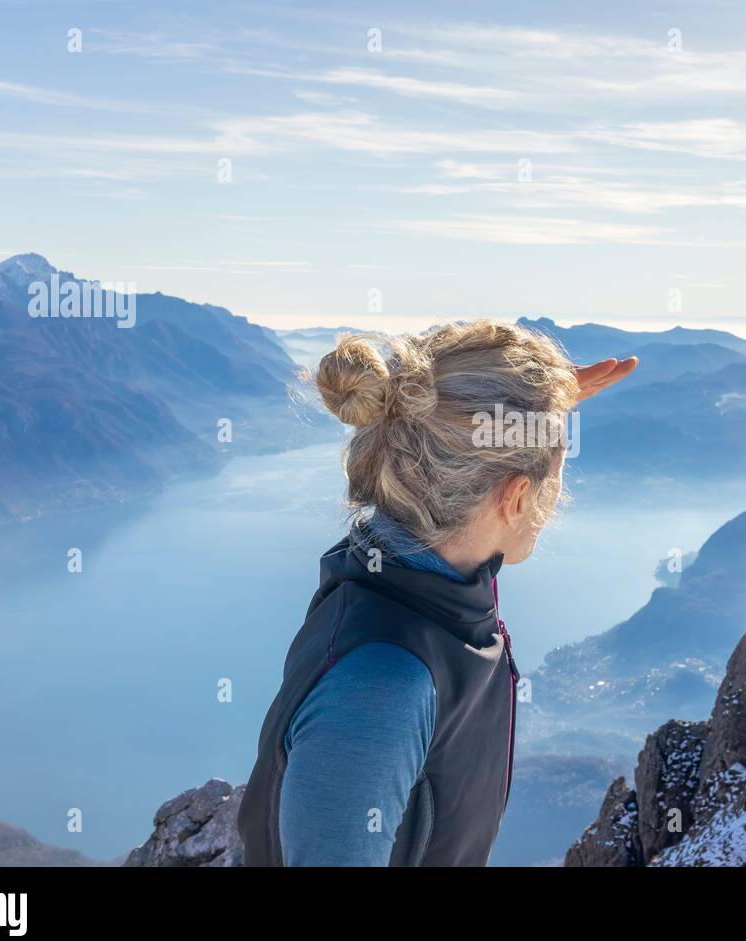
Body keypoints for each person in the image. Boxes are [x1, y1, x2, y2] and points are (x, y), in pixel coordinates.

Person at [238, 320, 636, 866]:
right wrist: (516, 425)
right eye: (556, 474)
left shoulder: (415, 576)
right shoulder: (383, 687)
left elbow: (436, 442)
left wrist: (520, 413)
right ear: (516, 498)